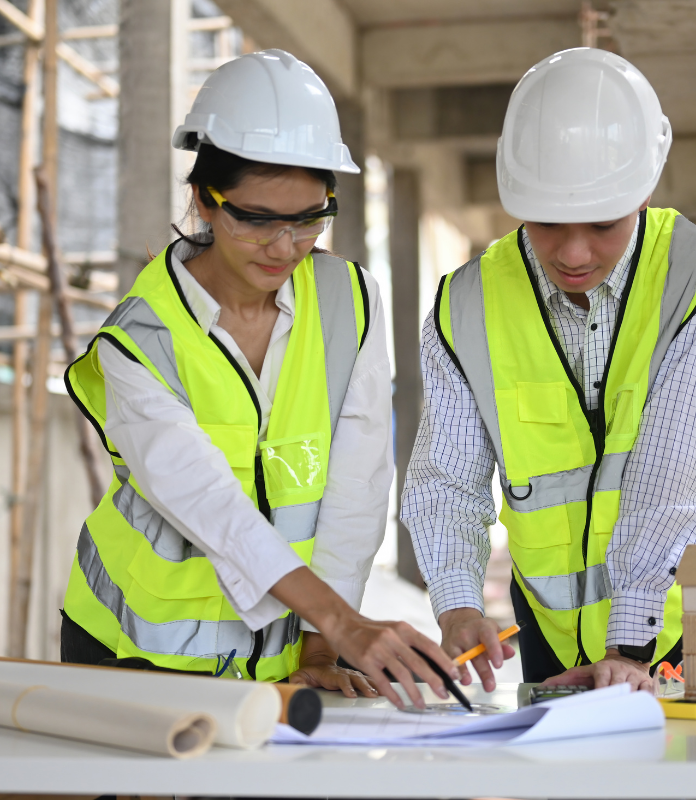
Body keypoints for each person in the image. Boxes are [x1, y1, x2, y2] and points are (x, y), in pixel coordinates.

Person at [61, 49, 459, 710]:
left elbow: (357, 488)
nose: (284, 247)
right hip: (133, 650)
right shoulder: (140, 341)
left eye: (309, 218)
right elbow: (210, 506)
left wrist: (319, 646)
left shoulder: (349, 302)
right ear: (204, 201)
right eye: (255, 220)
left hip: (275, 660)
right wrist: (342, 622)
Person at [402, 48, 696, 693]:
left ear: (645, 189)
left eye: (603, 223)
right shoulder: (465, 303)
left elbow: (666, 470)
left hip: (670, 631)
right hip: (546, 634)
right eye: (548, 223)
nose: (575, 251)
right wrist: (458, 603)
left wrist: (632, 645)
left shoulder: (694, 274)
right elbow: (447, 478)